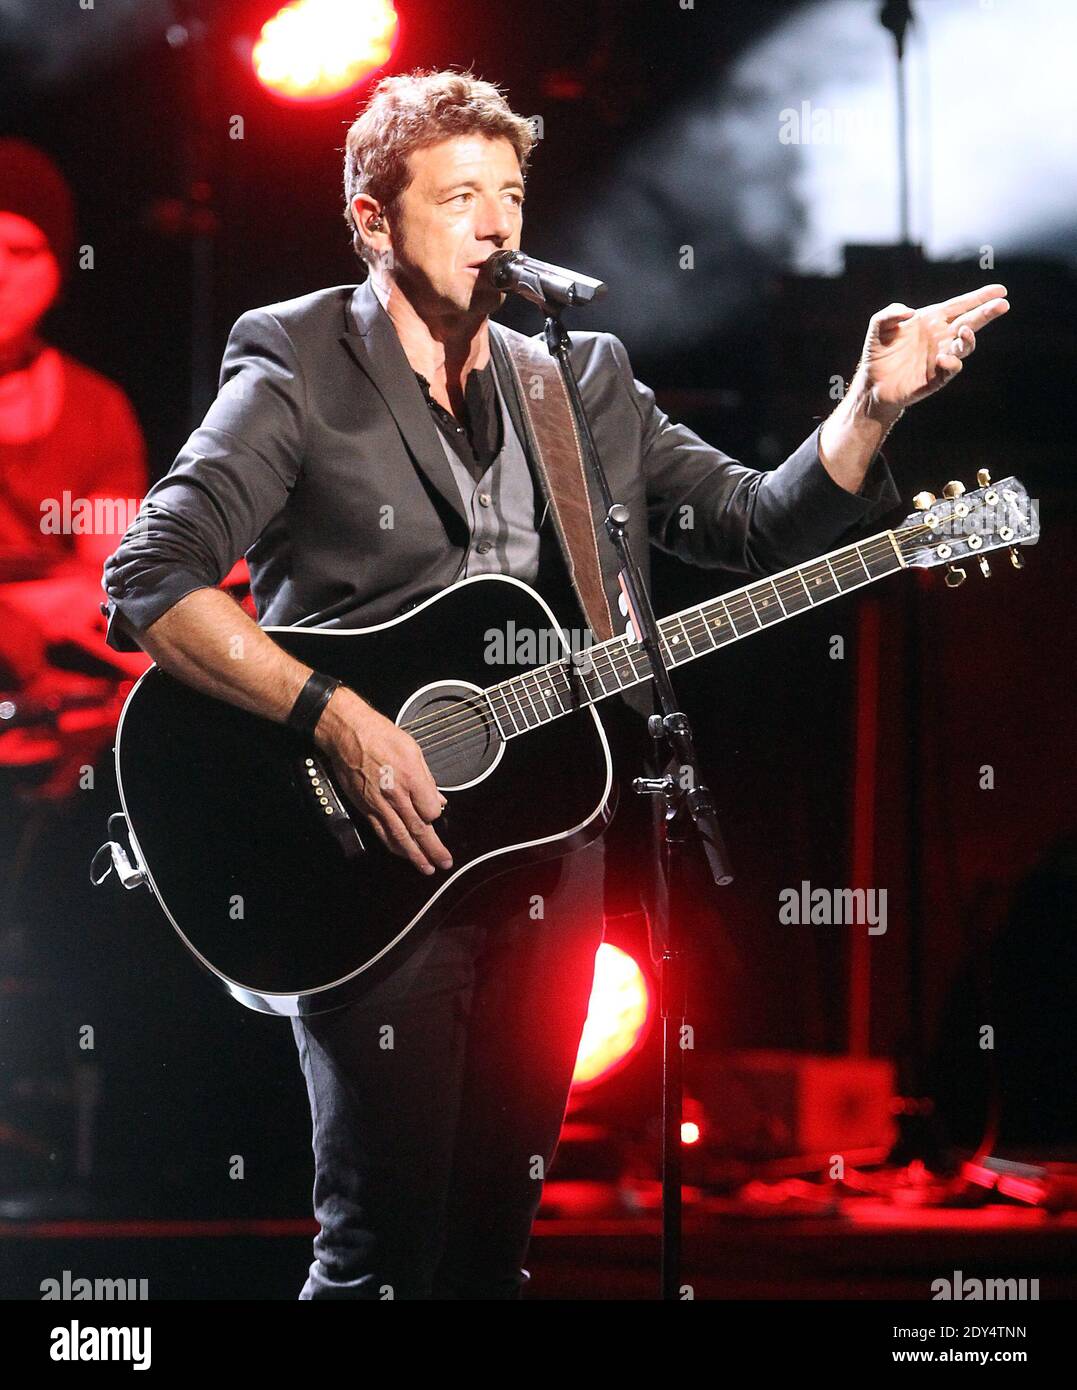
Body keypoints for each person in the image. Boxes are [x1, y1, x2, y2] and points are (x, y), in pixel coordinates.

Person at [100, 69, 1009, 1299]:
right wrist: (344, 718)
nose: (496, 225)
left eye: (511, 195)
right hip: (363, 845)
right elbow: (152, 573)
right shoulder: (297, 359)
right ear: (373, 220)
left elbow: (745, 524)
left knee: (491, 1249)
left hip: (543, 848)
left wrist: (869, 406)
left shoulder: (573, 377)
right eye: (460, 195)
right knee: (380, 1248)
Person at [0, 139, 149, 792]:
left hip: (52, 733)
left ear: (59, 268)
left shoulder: (97, 405)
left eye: (21, 251)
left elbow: (106, 572)